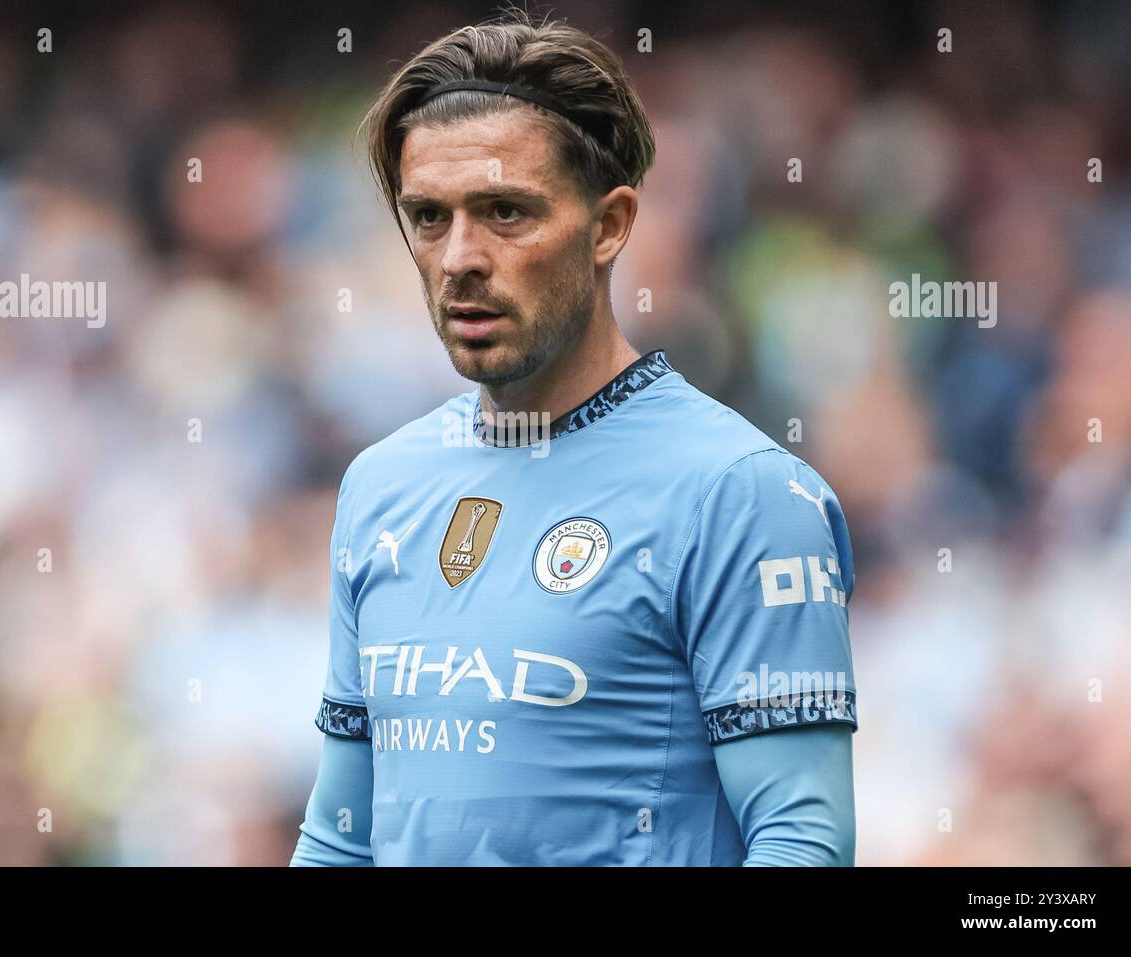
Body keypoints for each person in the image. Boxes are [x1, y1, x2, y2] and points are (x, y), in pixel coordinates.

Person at [290, 9, 857, 866]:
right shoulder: (379, 485)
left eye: (505, 212)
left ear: (609, 224)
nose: (459, 258)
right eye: (429, 217)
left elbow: (804, 842)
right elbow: (338, 840)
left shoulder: (740, 493)